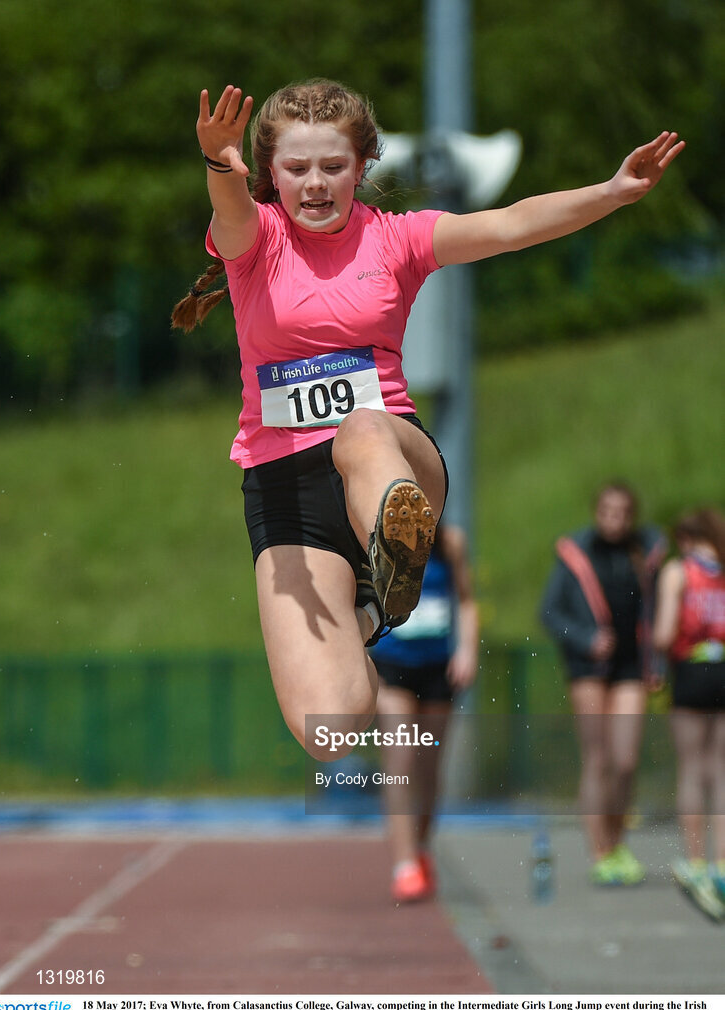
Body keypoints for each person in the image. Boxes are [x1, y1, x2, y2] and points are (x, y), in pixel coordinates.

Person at [172, 78, 683, 760]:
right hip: (285, 487)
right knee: (329, 732)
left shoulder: (397, 240)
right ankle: (379, 608)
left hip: (392, 456)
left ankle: (396, 541)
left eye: (333, 166)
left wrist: (612, 191)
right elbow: (230, 210)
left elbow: (510, 225)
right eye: (297, 169)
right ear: (270, 173)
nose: (316, 184)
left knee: (360, 426)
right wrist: (216, 163)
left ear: (362, 166)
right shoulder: (256, 241)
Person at [539, 482, 667, 885]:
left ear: (632, 515)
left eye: (623, 512)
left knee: (625, 761)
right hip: (589, 669)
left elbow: (660, 609)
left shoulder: (647, 553)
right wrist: (585, 638)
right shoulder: (576, 551)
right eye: (608, 511)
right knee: (599, 758)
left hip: (631, 665)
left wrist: (658, 659)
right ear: (598, 512)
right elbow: (550, 611)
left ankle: (617, 841)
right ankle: (599, 852)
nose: (615, 519)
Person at [369, 523, 479, 903]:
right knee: (399, 762)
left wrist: (467, 650)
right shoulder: (381, 536)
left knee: (429, 766)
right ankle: (403, 864)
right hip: (393, 666)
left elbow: (465, 599)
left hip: (437, 669)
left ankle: (419, 847)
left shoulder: (450, 541)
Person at [653, 508, 725, 923]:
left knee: (692, 770)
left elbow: (664, 632)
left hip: (693, 674)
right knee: (721, 770)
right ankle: (721, 864)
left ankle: (695, 861)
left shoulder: (680, 571)